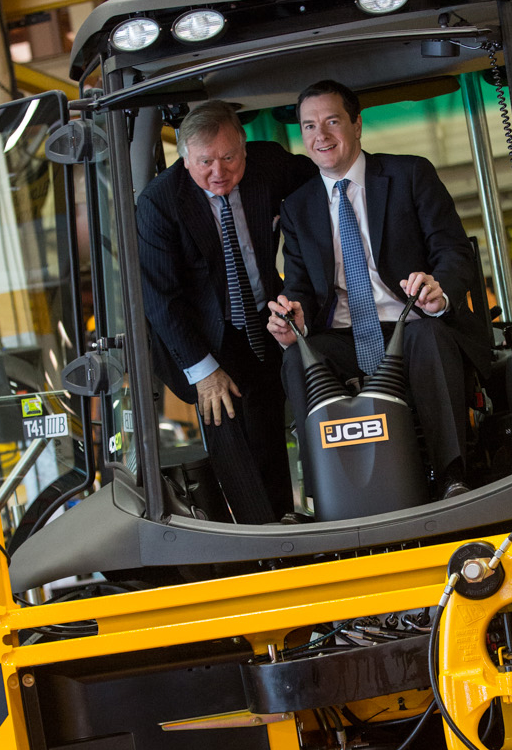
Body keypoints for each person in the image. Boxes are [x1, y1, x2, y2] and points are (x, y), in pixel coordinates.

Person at [267, 80, 490, 501]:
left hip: (410, 324)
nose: (321, 136)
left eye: (332, 121)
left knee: (429, 333)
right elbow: (299, 288)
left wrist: (439, 292)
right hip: (344, 337)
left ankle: (452, 477)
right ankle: (322, 494)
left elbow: (453, 251)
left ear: (356, 125)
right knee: (297, 355)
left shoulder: (409, 174)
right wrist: (292, 320)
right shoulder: (298, 207)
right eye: (309, 126)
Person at [137, 101, 316, 524]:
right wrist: (204, 371)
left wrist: (288, 216)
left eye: (229, 157)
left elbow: (319, 181)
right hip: (209, 336)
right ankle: (264, 539)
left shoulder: (269, 164)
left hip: (271, 315)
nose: (219, 171)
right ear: (184, 158)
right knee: (231, 422)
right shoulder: (160, 203)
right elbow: (161, 300)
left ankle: (302, 518)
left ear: (245, 149)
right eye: (205, 161)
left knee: (278, 418)